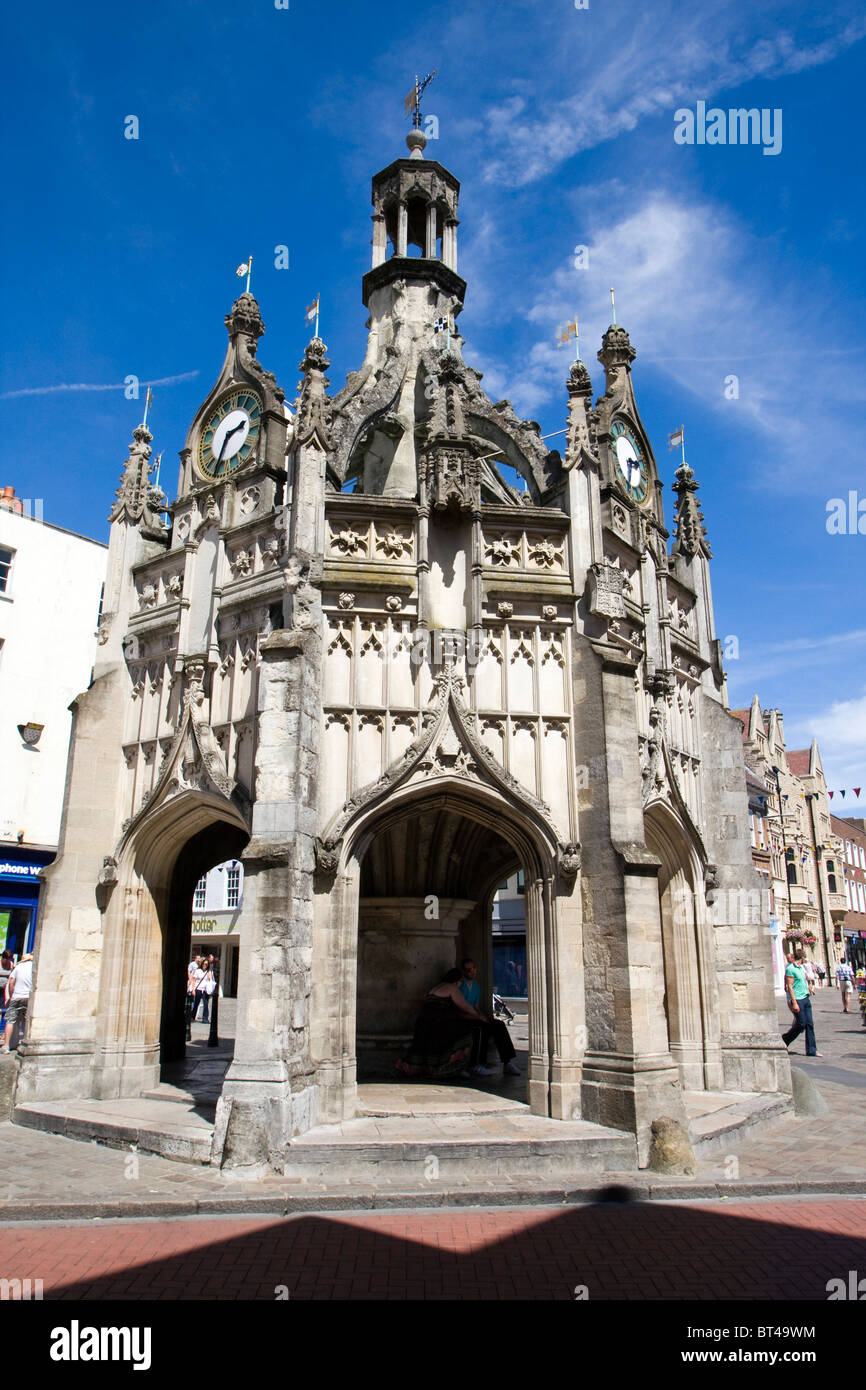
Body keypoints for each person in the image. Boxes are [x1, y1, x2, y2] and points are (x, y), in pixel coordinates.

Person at [396, 968, 482, 1079]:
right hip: (439, 1024)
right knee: (468, 1031)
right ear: (457, 980)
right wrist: (480, 1016)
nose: (461, 984)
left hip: (423, 1023)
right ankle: (466, 1066)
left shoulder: (436, 988)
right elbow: (466, 1007)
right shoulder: (452, 988)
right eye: (461, 982)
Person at [459, 958, 521, 1078]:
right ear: (463, 971)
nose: (470, 972)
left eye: (472, 969)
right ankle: (477, 1064)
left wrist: (483, 1016)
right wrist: (478, 1017)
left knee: (499, 1025)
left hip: (474, 1015)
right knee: (481, 1030)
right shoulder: (460, 986)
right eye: (467, 970)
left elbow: (475, 1006)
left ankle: (507, 1061)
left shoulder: (476, 986)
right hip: (465, 1018)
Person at [781, 951, 822, 1057]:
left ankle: (812, 1050)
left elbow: (803, 980)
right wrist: (794, 1002)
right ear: (802, 958)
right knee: (801, 1024)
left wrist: (808, 988)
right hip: (798, 999)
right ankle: (784, 1040)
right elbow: (790, 986)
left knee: (809, 1024)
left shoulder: (801, 968)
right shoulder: (790, 969)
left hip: (805, 998)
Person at [2, 952, 33, 1054]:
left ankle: (6, 1046)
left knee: (11, 1020)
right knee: (26, 1021)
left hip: (17, 996)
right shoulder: (34, 967)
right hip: (28, 997)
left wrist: (11, 996)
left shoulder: (18, 967)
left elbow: (11, 982)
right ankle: (25, 1044)